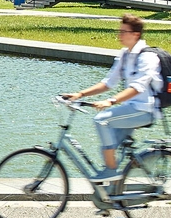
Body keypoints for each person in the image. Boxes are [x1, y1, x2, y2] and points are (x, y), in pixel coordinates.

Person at [62, 14, 164, 186]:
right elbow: (108, 82)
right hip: (130, 109)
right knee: (107, 148)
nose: (120, 35)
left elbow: (138, 87)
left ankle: (111, 172)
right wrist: (80, 94)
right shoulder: (125, 55)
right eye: (120, 31)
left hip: (145, 110)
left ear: (136, 34)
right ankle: (113, 196)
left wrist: (110, 102)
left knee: (101, 120)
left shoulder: (148, 57)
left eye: (124, 31)